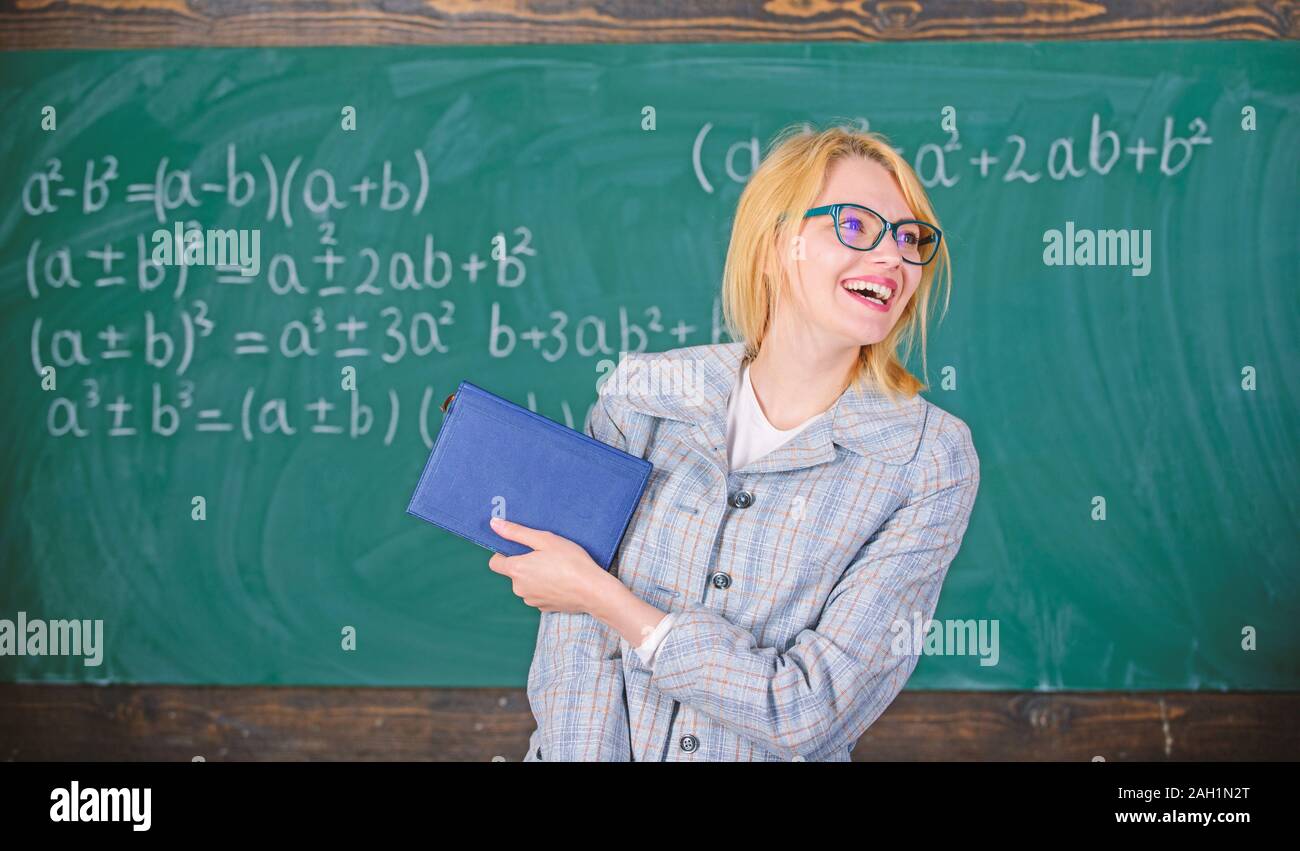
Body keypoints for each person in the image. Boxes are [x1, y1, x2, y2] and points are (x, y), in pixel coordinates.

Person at [491, 122, 981, 761]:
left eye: (910, 238)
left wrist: (604, 597)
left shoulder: (927, 460)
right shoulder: (642, 397)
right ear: (780, 241)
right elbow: (577, 659)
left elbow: (810, 711)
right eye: (858, 227)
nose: (894, 257)